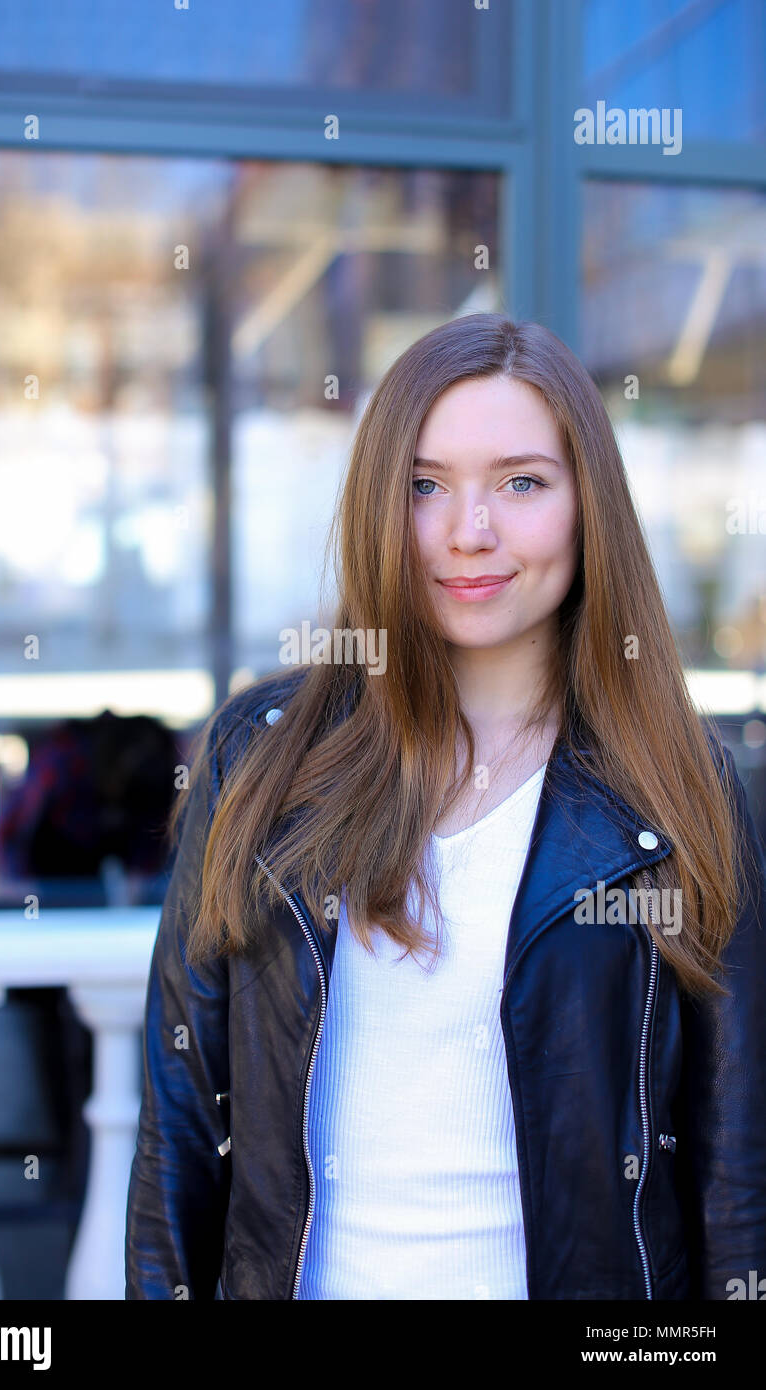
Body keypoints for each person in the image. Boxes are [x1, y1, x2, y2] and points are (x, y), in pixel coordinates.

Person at [124, 312, 766, 1301]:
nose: (470, 531)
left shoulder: (677, 789)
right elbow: (177, 1128)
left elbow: (735, 1169)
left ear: (585, 503)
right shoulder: (261, 757)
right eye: (424, 485)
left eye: (520, 482)